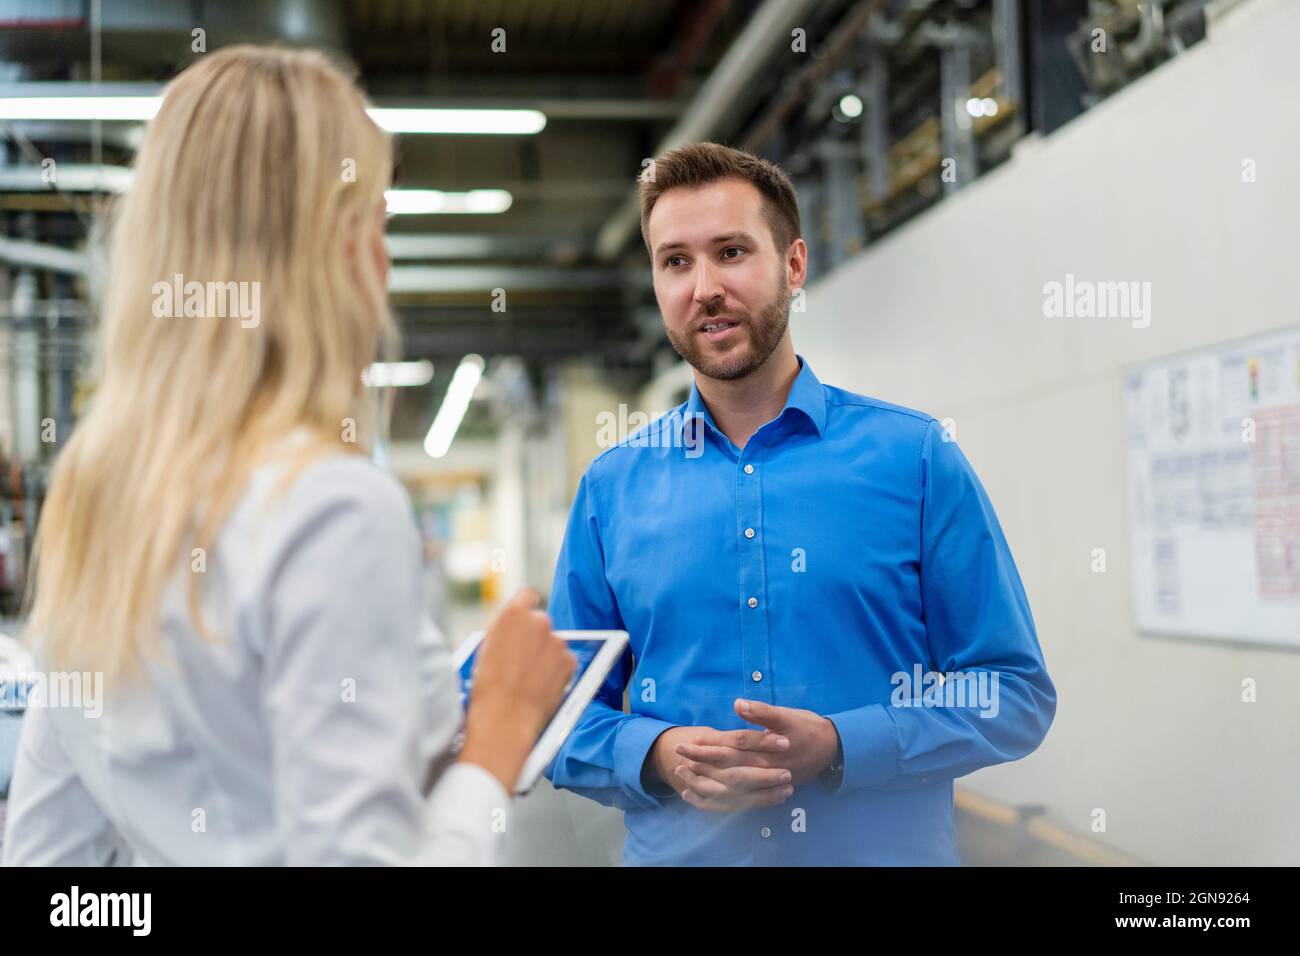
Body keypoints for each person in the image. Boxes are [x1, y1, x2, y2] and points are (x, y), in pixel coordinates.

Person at [1, 45, 574, 867]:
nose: (381, 261)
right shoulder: (330, 508)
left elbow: (48, 864)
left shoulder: (97, 506)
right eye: (375, 221)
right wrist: (496, 741)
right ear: (331, 250)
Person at [544, 142, 1057, 865]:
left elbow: (1013, 693)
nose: (704, 288)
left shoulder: (913, 459)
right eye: (676, 261)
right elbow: (556, 713)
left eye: (730, 252)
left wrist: (847, 745)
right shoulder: (611, 489)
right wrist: (654, 752)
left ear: (792, 264)